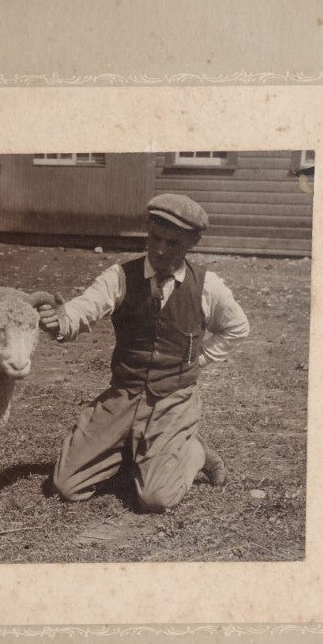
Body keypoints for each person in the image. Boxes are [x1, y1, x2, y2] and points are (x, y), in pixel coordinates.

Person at [40, 193, 250, 513]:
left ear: (192, 243)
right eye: (155, 238)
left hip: (173, 398)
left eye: (174, 243)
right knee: (66, 485)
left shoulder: (208, 286)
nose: (161, 250)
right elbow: (85, 308)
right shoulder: (120, 277)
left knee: (155, 498)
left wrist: (200, 358)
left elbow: (238, 328)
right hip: (124, 394)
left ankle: (194, 452)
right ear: (147, 231)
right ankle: (137, 449)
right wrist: (61, 321)